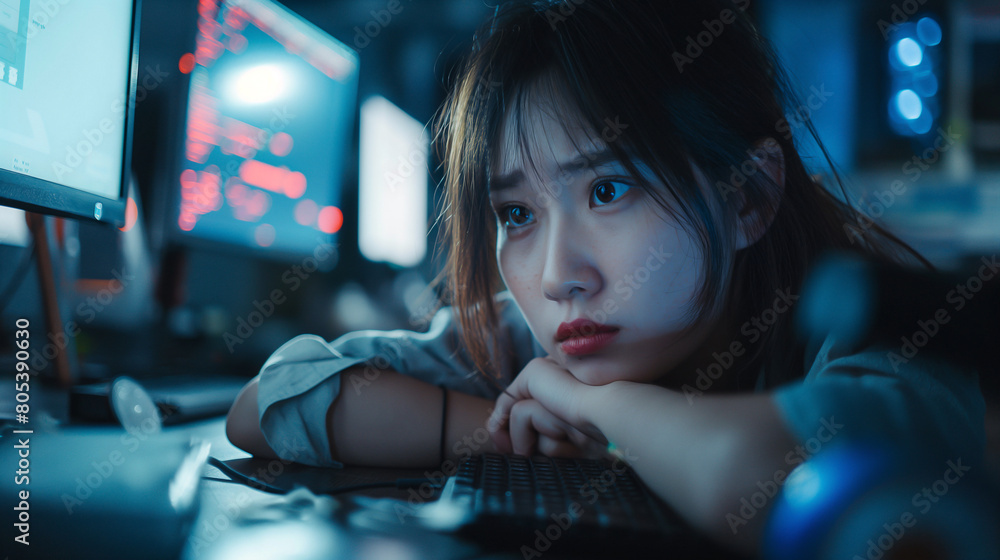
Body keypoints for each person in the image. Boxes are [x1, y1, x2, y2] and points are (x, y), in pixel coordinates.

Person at [226, 0, 985, 554]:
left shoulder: (892, 336)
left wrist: (598, 409)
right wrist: (509, 435)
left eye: (609, 190)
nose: (559, 276)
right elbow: (273, 400)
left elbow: (770, 479)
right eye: (517, 214)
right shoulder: (544, 340)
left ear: (747, 199)